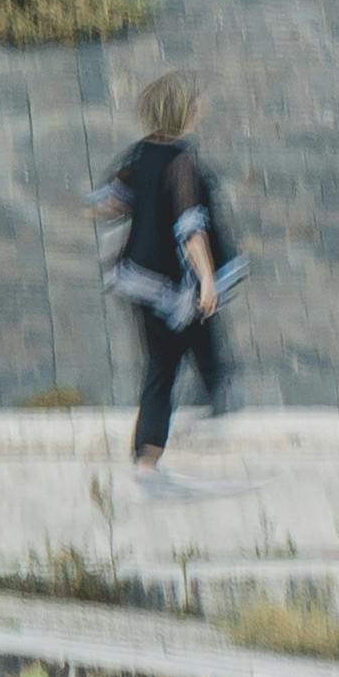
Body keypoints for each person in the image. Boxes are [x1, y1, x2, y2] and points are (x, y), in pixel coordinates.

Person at [100, 75, 238, 468]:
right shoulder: (182, 162)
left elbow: (108, 202)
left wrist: (143, 207)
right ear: (186, 114)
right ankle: (213, 394)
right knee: (185, 349)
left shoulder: (139, 155)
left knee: (160, 368)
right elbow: (191, 229)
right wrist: (208, 280)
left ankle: (146, 459)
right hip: (175, 286)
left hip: (138, 280)